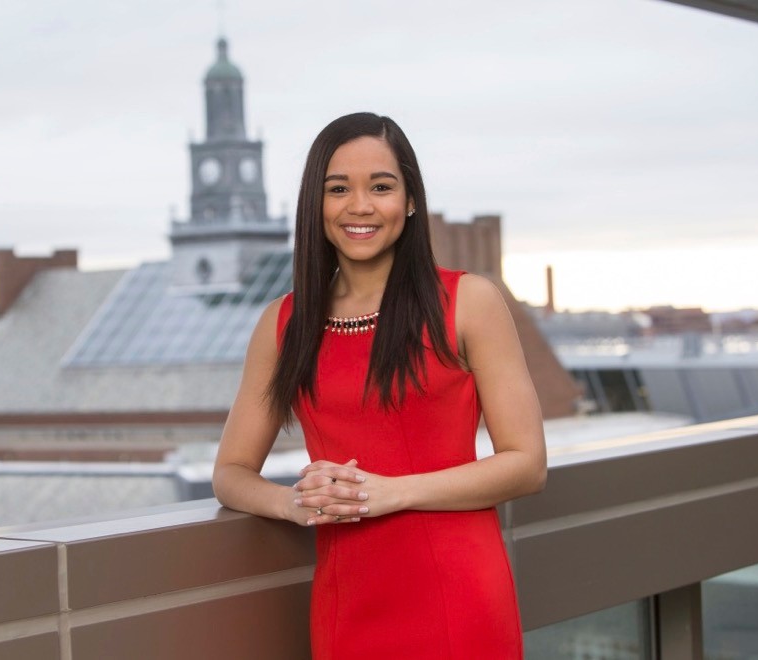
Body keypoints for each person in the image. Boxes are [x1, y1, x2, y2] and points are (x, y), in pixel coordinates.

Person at [212, 112, 546, 659]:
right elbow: (229, 474)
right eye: (338, 188)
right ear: (314, 206)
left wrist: (391, 492)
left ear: (410, 200)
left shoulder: (470, 302)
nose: (360, 206)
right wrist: (294, 503)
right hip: (347, 602)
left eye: (381, 187)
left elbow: (527, 463)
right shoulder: (283, 323)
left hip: (455, 596)